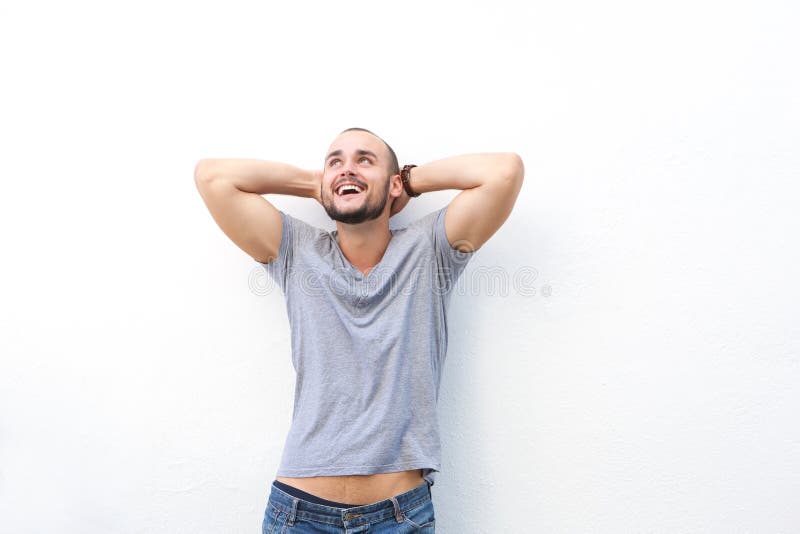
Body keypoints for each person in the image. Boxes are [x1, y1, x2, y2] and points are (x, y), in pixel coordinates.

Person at [194, 128, 524, 532]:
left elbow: (504, 171)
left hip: (399, 517)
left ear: (393, 185)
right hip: (298, 515)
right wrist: (315, 184)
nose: (346, 168)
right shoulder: (296, 250)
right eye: (336, 161)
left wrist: (411, 181)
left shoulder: (431, 249)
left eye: (364, 160)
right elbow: (213, 177)